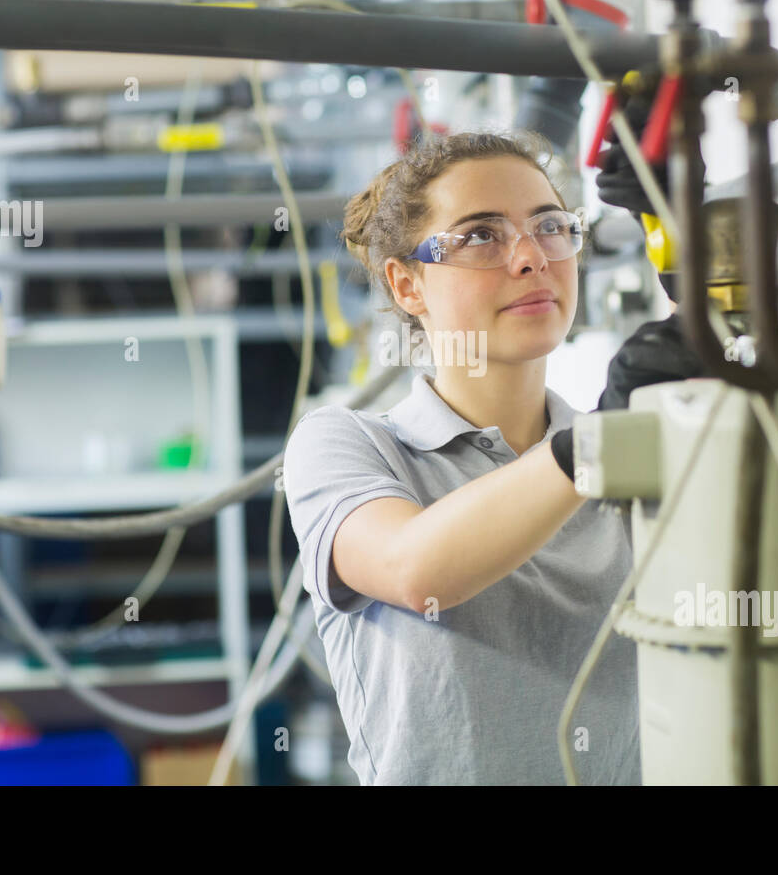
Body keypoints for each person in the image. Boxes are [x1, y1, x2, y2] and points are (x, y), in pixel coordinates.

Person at [281, 129, 705, 785]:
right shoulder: (349, 446)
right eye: (482, 235)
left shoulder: (622, 441)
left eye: (550, 226)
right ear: (407, 284)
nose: (531, 256)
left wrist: (686, 232)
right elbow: (417, 569)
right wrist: (595, 440)